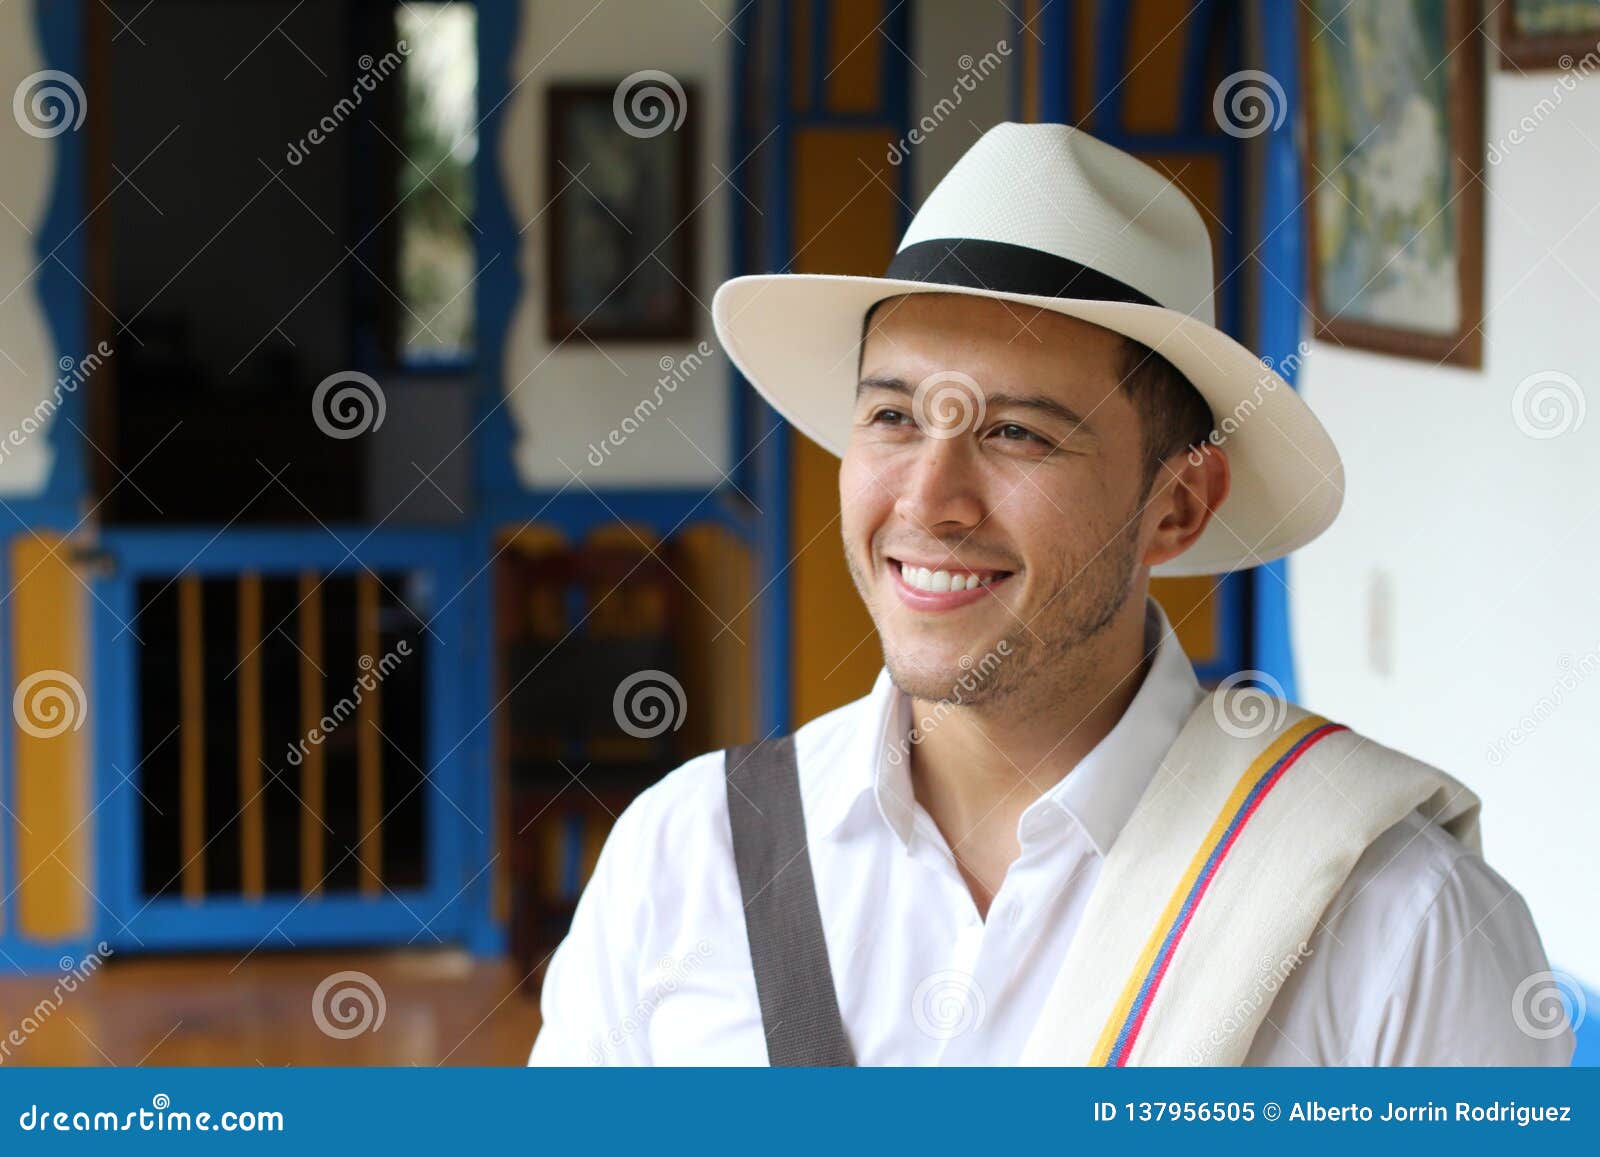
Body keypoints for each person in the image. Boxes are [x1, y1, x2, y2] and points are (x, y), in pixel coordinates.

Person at [528, 123, 1573, 1066]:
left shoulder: (1400, 927)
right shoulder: (685, 861)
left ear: (1177, 506)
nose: (928, 500)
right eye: (893, 417)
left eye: (1017, 433)